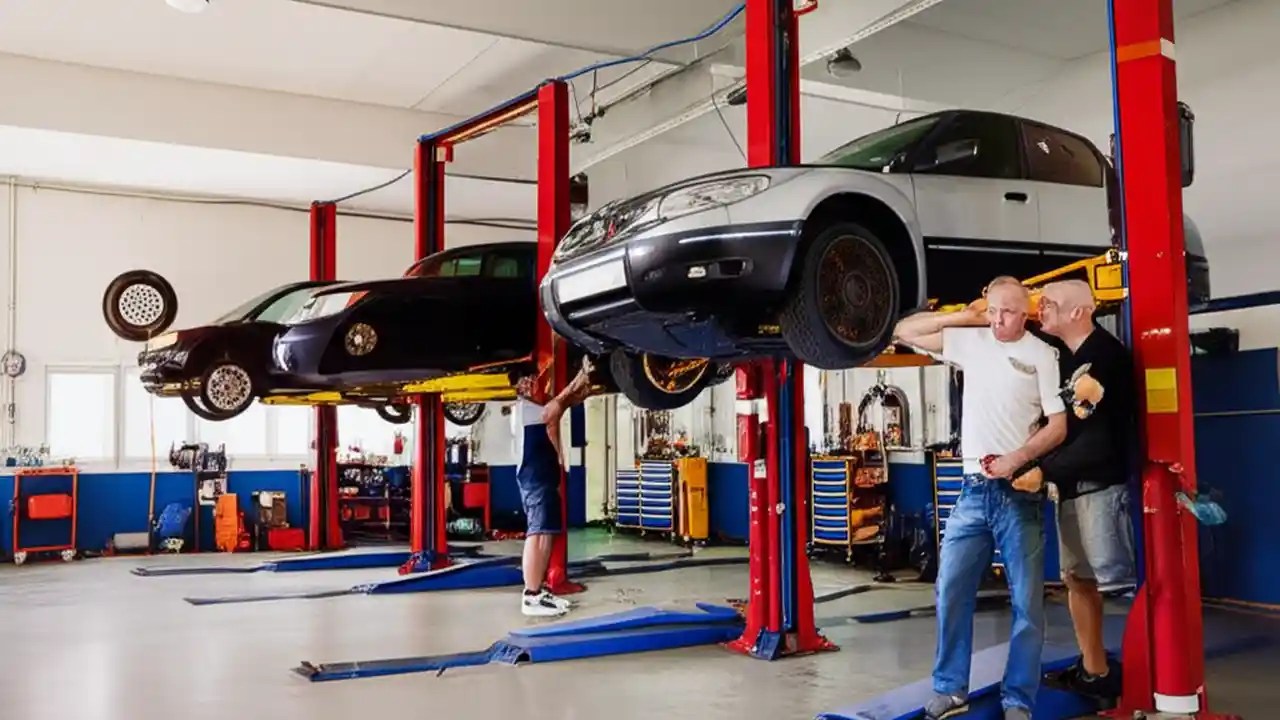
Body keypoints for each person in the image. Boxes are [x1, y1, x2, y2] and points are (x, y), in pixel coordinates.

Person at [894, 276, 1068, 720]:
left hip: (1017, 493)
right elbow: (903, 331)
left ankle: (1018, 699)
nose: (997, 320)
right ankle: (951, 688)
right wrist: (965, 316)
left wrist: (1018, 458)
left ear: (1026, 312)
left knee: (1027, 603)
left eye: (1006, 312)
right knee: (950, 589)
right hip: (972, 490)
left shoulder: (1043, 355)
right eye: (991, 311)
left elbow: (1058, 425)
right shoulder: (972, 340)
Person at [1027, 279, 1137, 699]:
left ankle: (1148, 669)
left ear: (1079, 312)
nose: (1042, 310)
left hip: (1100, 490)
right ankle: (1095, 670)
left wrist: (1044, 471)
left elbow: (1097, 438)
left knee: (1117, 581)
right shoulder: (1068, 360)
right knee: (1077, 580)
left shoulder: (1104, 357)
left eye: (1050, 304)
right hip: (1072, 487)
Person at [511, 360, 595, 617]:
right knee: (537, 533)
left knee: (546, 533)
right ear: (521, 385)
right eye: (531, 379)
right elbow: (555, 408)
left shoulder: (535, 406)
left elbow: (562, 403)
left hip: (542, 478)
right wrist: (580, 377)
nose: (537, 383)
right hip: (534, 479)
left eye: (536, 378)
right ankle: (531, 596)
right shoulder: (524, 408)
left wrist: (583, 385)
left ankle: (537, 591)